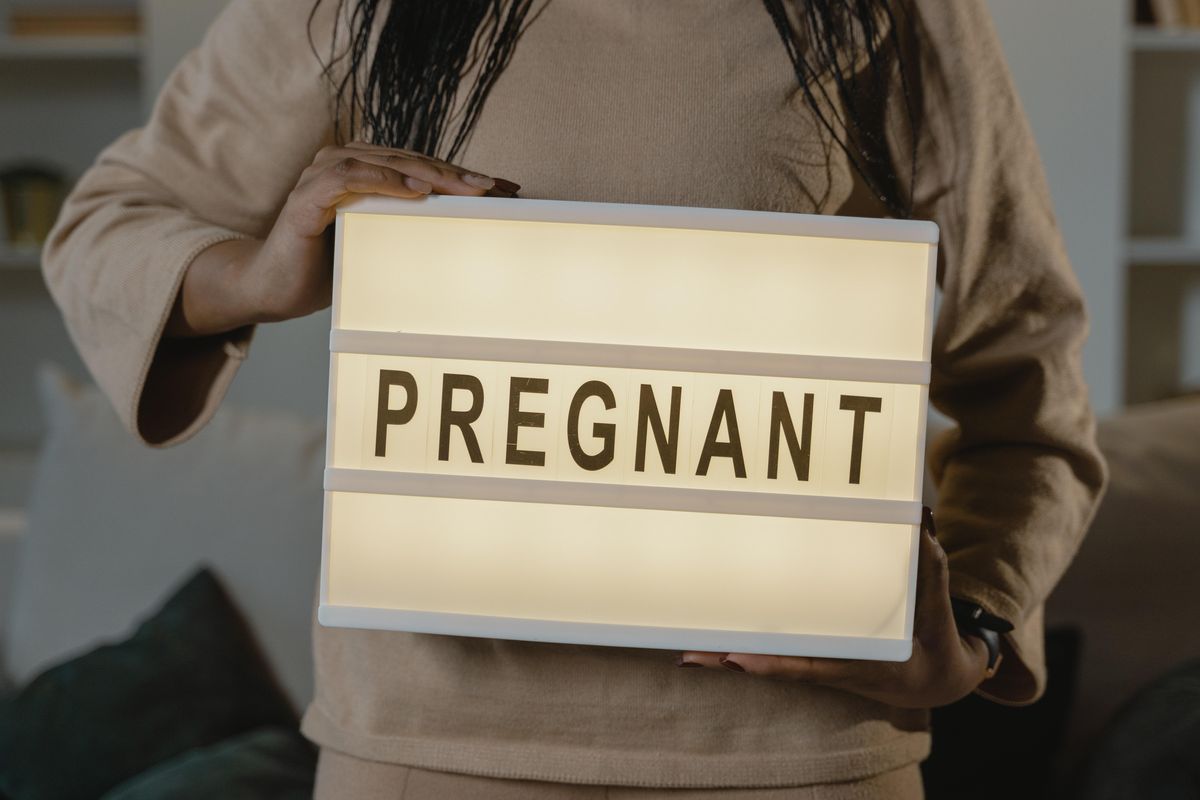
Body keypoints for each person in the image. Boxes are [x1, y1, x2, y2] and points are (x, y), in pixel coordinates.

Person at [42, 0, 1107, 797]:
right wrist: (259, 271)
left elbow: (1029, 374)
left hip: (797, 757)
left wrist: (968, 629)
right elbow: (108, 226)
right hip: (424, 753)